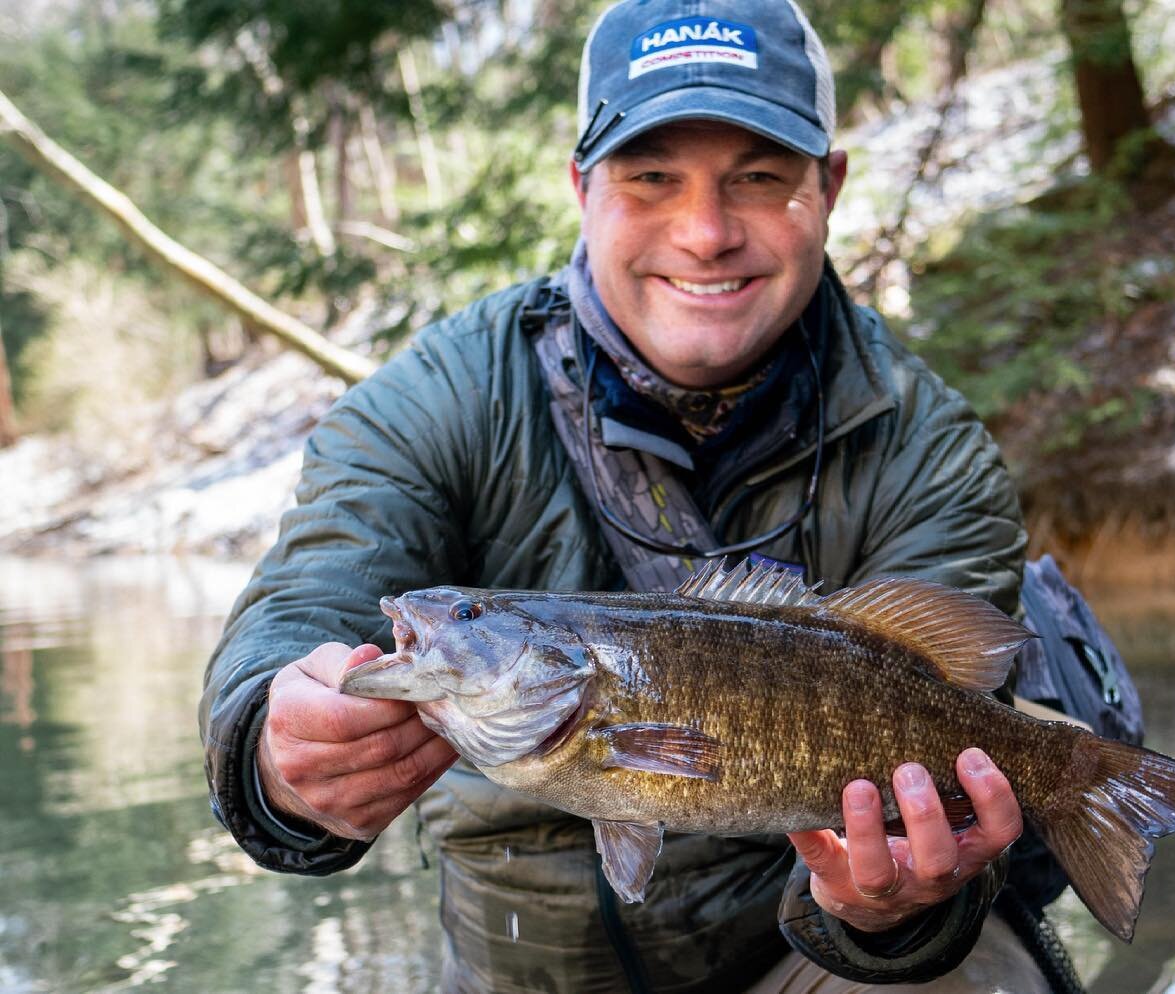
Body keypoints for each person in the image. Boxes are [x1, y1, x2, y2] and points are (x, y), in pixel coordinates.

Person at [200, 1, 1051, 990]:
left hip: (811, 955)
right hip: (525, 967)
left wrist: (890, 905)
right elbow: (305, 604)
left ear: (829, 187)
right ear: (581, 188)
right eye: (652, 178)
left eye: (761, 178)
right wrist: (274, 743)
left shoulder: (932, 450)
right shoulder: (437, 399)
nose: (704, 232)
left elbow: (952, 706)